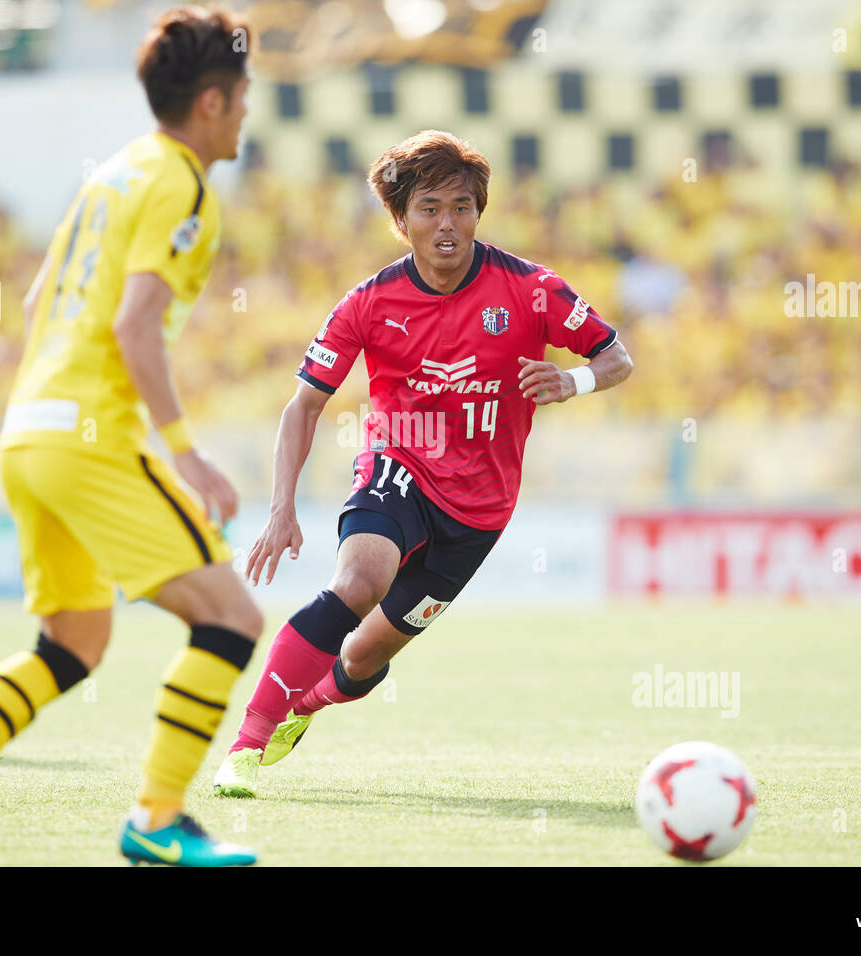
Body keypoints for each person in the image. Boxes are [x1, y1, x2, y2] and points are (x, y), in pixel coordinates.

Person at [0, 5, 263, 867]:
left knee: (74, 643)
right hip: (91, 439)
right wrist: (185, 451)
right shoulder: (184, 187)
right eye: (243, 95)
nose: (249, 110)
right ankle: (159, 819)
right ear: (211, 101)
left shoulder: (116, 174)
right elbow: (137, 326)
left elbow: (33, 304)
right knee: (232, 619)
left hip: (32, 433)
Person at [212, 129, 633, 798]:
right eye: (430, 207)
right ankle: (245, 746)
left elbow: (617, 357)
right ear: (401, 219)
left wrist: (573, 383)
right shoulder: (368, 302)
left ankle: (306, 706)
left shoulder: (529, 289)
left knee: (364, 653)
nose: (448, 223)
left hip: (482, 509)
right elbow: (303, 407)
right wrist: (281, 509)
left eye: (462, 207)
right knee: (359, 580)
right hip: (397, 462)